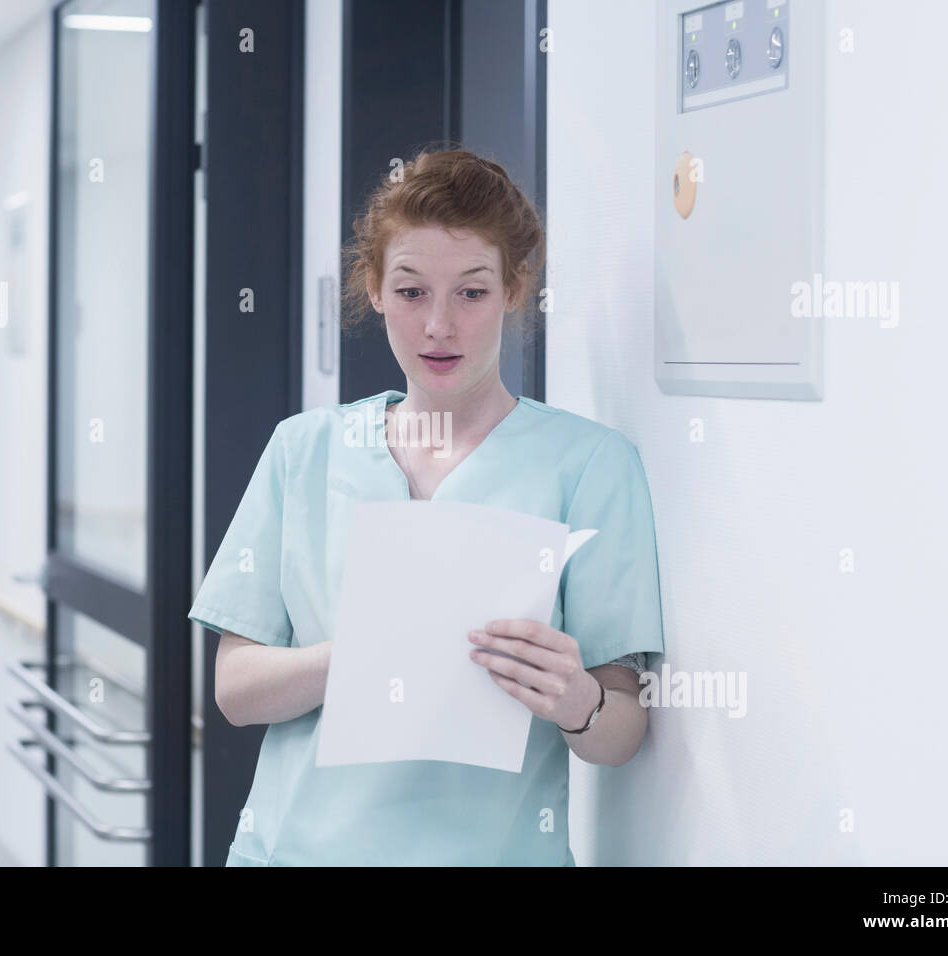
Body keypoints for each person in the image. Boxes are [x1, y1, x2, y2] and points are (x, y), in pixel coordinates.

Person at [188, 147, 665, 866]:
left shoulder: (591, 465)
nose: (439, 326)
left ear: (513, 288)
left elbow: (621, 732)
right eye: (412, 292)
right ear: (375, 289)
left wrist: (579, 702)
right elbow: (234, 689)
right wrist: (361, 655)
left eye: (471, 293)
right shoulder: (304, 450)